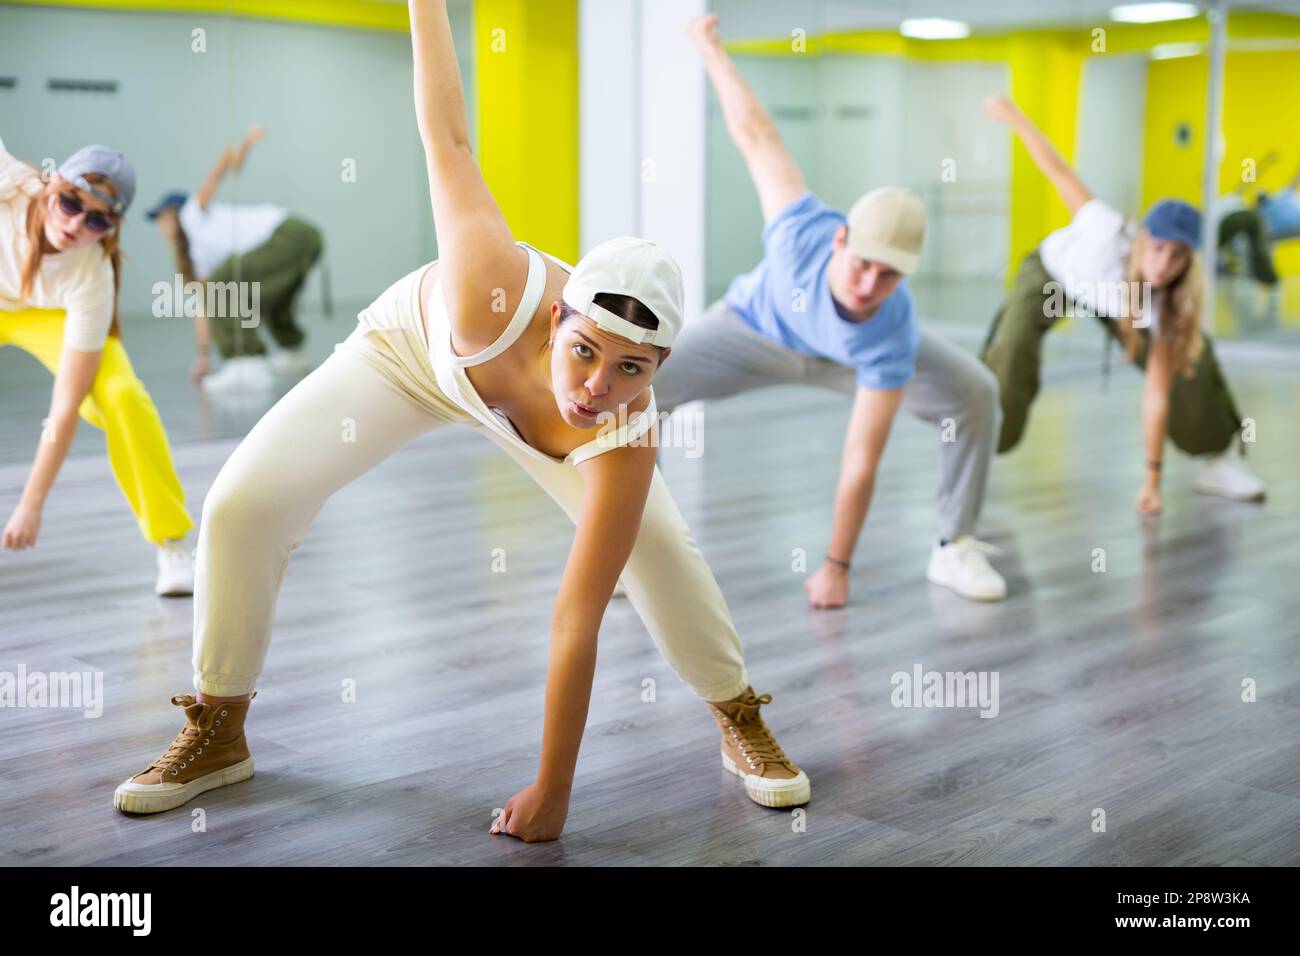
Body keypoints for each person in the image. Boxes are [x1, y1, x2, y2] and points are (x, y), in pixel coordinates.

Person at [113, 0, 809, 843]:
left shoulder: (621, 432)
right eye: (585, 350)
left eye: (631, 369)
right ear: (557, 321)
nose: (596, 386)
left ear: (660, 370)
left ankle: (738, 716)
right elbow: (447, 135)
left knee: (659, 553)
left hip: (517, 408)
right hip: (412, 357)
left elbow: (574, 617)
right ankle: (220, 728)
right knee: (240, 506)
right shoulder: (490, 288)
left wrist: (555, 786)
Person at [652, 13, 1007, 607]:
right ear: (840, 239)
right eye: (862, 262)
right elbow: (757, 135)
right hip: (754, 330)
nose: (870, 283)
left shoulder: (892, 327)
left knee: (975, 391)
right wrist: (708, 47)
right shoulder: (799, 233)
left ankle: (954, 544)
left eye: (889, 273)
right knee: (638, 386)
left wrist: (836, 567)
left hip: (849, 357)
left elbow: (860, 458)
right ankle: (631, 546)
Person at [980, 95, 1266, 514]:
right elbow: (1056, 170)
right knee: (1013, 351)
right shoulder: (1104, 233)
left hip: (1120, 299)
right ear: (1142, 239)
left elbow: (1156, 392)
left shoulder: (1164, 300)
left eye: (1178, 256)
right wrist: (1016, 118)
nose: (1164, 265)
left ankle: (1215, 459)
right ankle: (978, 443)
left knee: (1192, 361)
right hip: (1055, 276)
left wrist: (1152, 481)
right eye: (1159, 249)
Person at [0, 135, 195, 595]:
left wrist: (31, 503)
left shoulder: (92, 274)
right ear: (52, 187)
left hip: (51, 316)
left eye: (96, 220)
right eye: (70, 203)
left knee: (124, 397)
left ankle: (172, 541)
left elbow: (64, 407)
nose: (75, 225)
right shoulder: (11, 186)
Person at [147, 123, 324, 394]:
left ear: (175, 213)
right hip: (305, 238)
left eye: (162, 217)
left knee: (222, 283)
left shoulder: (192, 215)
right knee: (269, 296)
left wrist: (247, 143)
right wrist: (204, 358)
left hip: (290, 234)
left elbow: (217, 174)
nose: (160, 226)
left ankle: (246, 365)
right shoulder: (199, 255)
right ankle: (292, 353)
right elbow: (204, 308)